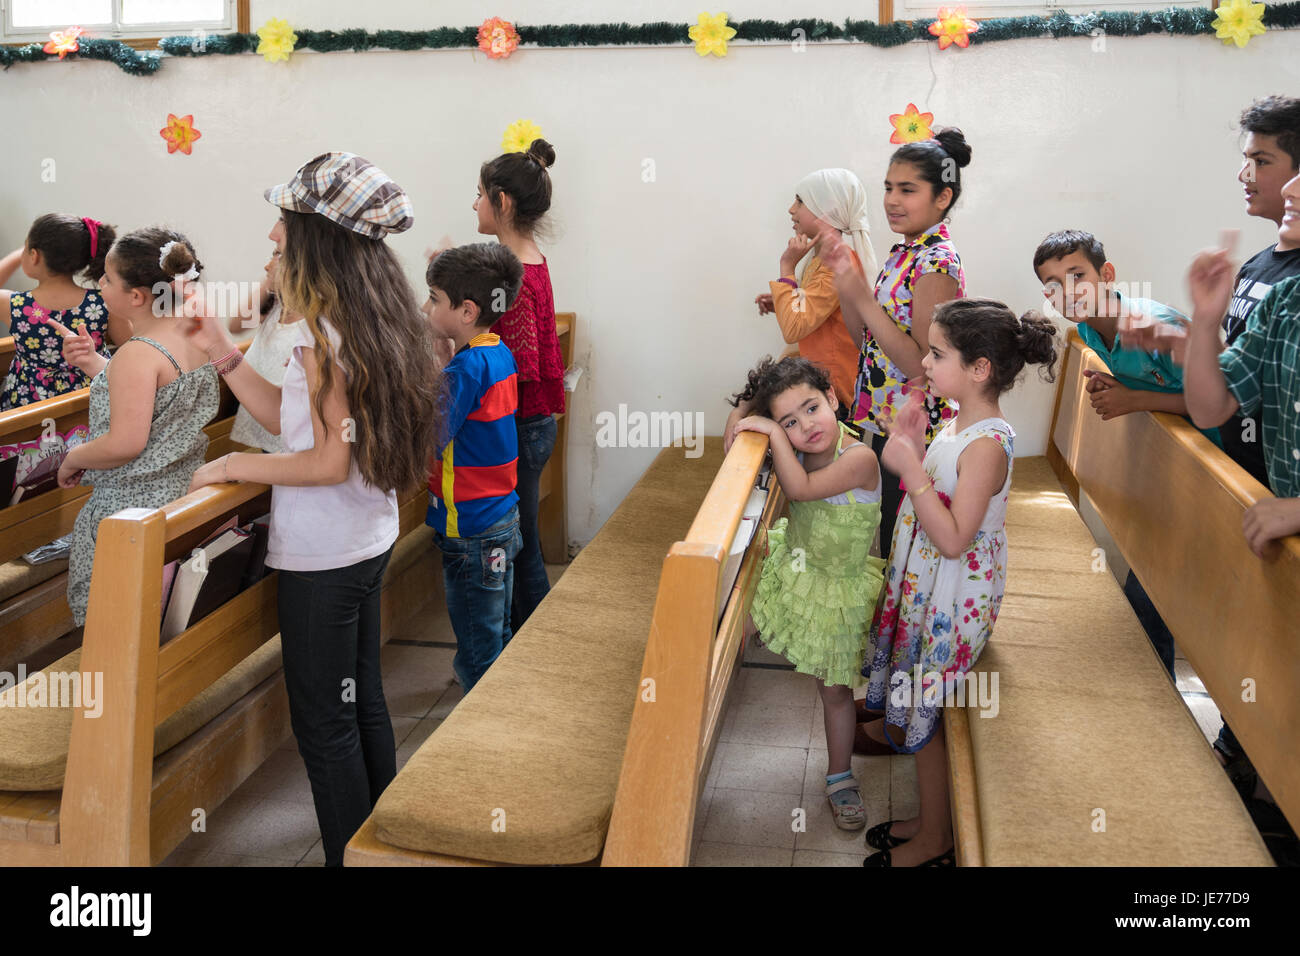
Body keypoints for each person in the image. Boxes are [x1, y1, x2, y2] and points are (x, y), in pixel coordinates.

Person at [186, 152, 441, 867]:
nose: (272, 236)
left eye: (285, 221)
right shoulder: (355, 319)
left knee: (325, 725)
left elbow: (329, 461)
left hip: (325, 556)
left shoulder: (322, 331)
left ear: (317, 238)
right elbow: (296, 427)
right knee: (361, 705)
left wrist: (233, 464)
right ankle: (377, 847)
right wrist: (223, 355)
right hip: (363, 538)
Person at [859, 299, 1057, 866]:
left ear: (979, 370)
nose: (923, 360)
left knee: (930, 706)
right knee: (923, 703)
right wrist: (913, 439)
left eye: (937, 353)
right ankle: (932, 818)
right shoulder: (959, 418)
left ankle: (936, 840)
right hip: (931, 585)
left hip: (953, 596)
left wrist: (911, 468)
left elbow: (952, 538)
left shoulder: (989, 445)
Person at [1033, 228, 1218, 676]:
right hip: (1174, 474)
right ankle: (1157, 689)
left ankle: (1174, 702)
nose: (1068, 291)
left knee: (1160, 594)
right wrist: (1122, 388)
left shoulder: (1155, 328)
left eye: (1078, 275)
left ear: (1107, 274)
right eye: (1054, 285)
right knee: (1149, 588)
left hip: (1219, 470)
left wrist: (1136, 400)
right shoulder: (1088, 330)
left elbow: (1226, 400)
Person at [729, 356, 886, 830]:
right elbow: (732, 433)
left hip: (837, 593)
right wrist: (747, 411)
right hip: (793, 568)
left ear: (833, 398)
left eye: (812, 408)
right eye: (790, 421)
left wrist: (774, 432)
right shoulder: (796, 447)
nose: (807, 426)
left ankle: (840, 776)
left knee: (835, 693)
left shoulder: (859, 458)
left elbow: (797, 492)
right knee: (728, 622)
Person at [56, 228, 218, 626]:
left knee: (112, 624)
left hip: (127, 513)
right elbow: (159, 399)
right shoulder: (196, 334)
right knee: (152, 620)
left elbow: (126, 441)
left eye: (108, 278)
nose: (100, 284)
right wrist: (98, 366)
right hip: (179, 496)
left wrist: (72, 456)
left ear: (137, 297)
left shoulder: (138, 353)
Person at [822, 128, 972, 549]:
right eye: (888, 187)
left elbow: (924, 364)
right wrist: (846, 287)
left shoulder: (935, 262)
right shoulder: (903, 252)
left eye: (908, 189)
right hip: (882, 418)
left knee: (900, 541)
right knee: (882, 533)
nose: (891, 199)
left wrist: (863, 298)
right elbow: (868, 342)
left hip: (915, 427)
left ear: (942, 197)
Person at [474, 138, 565, 632]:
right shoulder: (529, 258)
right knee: (518, 539)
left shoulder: (511, 271)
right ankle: (520, 635)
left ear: (501, 202)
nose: (474, 204)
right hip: (531, 422)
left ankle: (535, 639)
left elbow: (519, 364)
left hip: (518, 424)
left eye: (480, 194)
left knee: (520, 543)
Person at [753, 169, 878, 407]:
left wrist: (787, 266)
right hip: (822, 386)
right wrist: (784, 301)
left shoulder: (835, 263)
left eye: (800, 201)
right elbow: (813, 314)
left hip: (834, 394)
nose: (791, 209)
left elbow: (793, 329)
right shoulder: (823, 258)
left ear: (826, 210)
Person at [0, 214, 128, 409]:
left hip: (29, 407)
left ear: (34, 256)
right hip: (92, 405)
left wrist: (19, 255)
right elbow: (132, 347)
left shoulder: (13, 304)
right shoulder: (104, 302)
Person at [227, 246, 304, 453]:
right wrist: (270, 281)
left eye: (278, 256)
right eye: (272, 254)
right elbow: (236, 325)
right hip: (260, 415)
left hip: (286, 425)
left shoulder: (311, 324)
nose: (267, 265)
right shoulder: (278, 305)